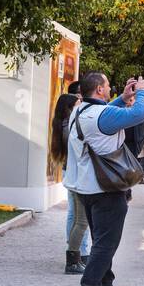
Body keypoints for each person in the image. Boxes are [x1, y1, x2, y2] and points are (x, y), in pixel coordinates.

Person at [64, 72, 144, 286]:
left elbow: (104, 114)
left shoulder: (80, 110)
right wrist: (143, 90)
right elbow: (140, 113)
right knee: (107, 242)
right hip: (106, 188)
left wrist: (122, 98)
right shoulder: (100, 116)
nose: (110, 88)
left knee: (100, 238)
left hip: (87, 187)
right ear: (100, 90)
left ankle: (105, 284)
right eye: (108, 86)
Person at [50, 90, 90, 274]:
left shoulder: (63, 123)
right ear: (69, 107)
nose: (81, 104)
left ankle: (77, 253)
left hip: (71, 172)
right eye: (77, 103)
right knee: (80, 218)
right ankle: (77, 255)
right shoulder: (70, 125)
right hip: (77, 174)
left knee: (76, 216)